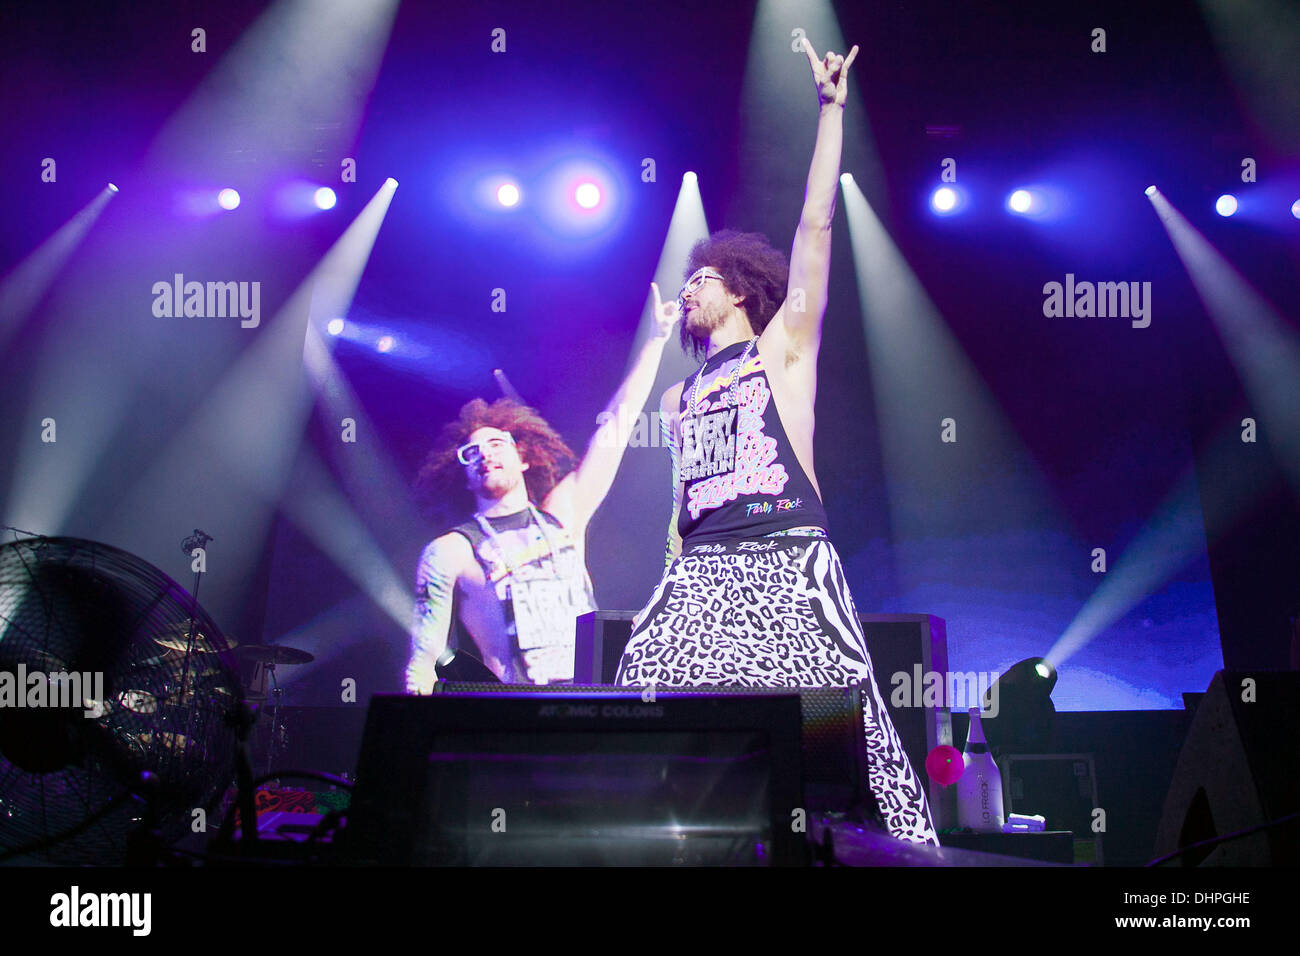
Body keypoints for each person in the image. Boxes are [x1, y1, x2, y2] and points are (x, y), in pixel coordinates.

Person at [615, 39, 938, 844]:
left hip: (786, 559)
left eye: (701, 279)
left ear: (738, 289)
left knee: (839, 723)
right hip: (703, 568)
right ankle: (672, 846)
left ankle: (888, 850)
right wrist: (672, 567)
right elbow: (683, 498)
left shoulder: (784, 347)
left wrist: (831, 113)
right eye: (686, 280)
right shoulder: (684, 390)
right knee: (641, 682)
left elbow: (816, 225)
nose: (688, 288)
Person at [406, 303, 676, 691]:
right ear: (463, 474)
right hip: (515, 712)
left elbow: (617, 424)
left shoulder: (564, 516)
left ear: (524, 457)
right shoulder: (450, 552)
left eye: (497, 443)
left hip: (592, 700)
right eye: (472, 453)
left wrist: (655, 339)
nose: (485, 454)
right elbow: (424, 655)